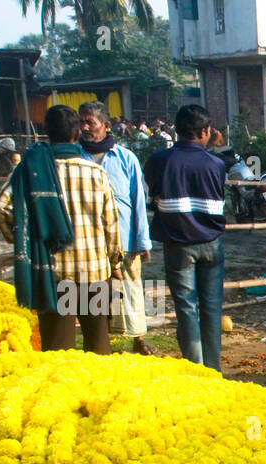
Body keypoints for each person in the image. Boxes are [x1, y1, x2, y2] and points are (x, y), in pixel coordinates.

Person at [0, 104, 122, 354]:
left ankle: (62, 392)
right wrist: (115, 262)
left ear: (47, 134)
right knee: (98, 344)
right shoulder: (96, 173)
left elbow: (1, 208)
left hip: (51, 273)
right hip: (93, 270)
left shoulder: (30, 171)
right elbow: (111, 224)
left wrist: (23, 239)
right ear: (76, 134)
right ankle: (96, 392)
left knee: (57, 348)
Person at [145, 104, 227, 371]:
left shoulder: (158, 161)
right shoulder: (216, 164)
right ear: (204, 131)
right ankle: (212, 370)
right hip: (211, 244)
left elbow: (152, 199)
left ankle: (195, 370)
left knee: (186, 307)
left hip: (178, 244)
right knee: (212, 307)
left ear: (177, 130)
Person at [79, 101, 155, 356]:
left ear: (107, 126)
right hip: (88, 241)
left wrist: (143, 241)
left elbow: (138, 201)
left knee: (132, 287)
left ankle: (138, 339)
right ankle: (98, 342)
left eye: (91, 122)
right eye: (82, 122)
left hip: (124, 240)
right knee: (94, 289)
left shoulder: (126, 158)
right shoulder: (75, 158)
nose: (85, 127)